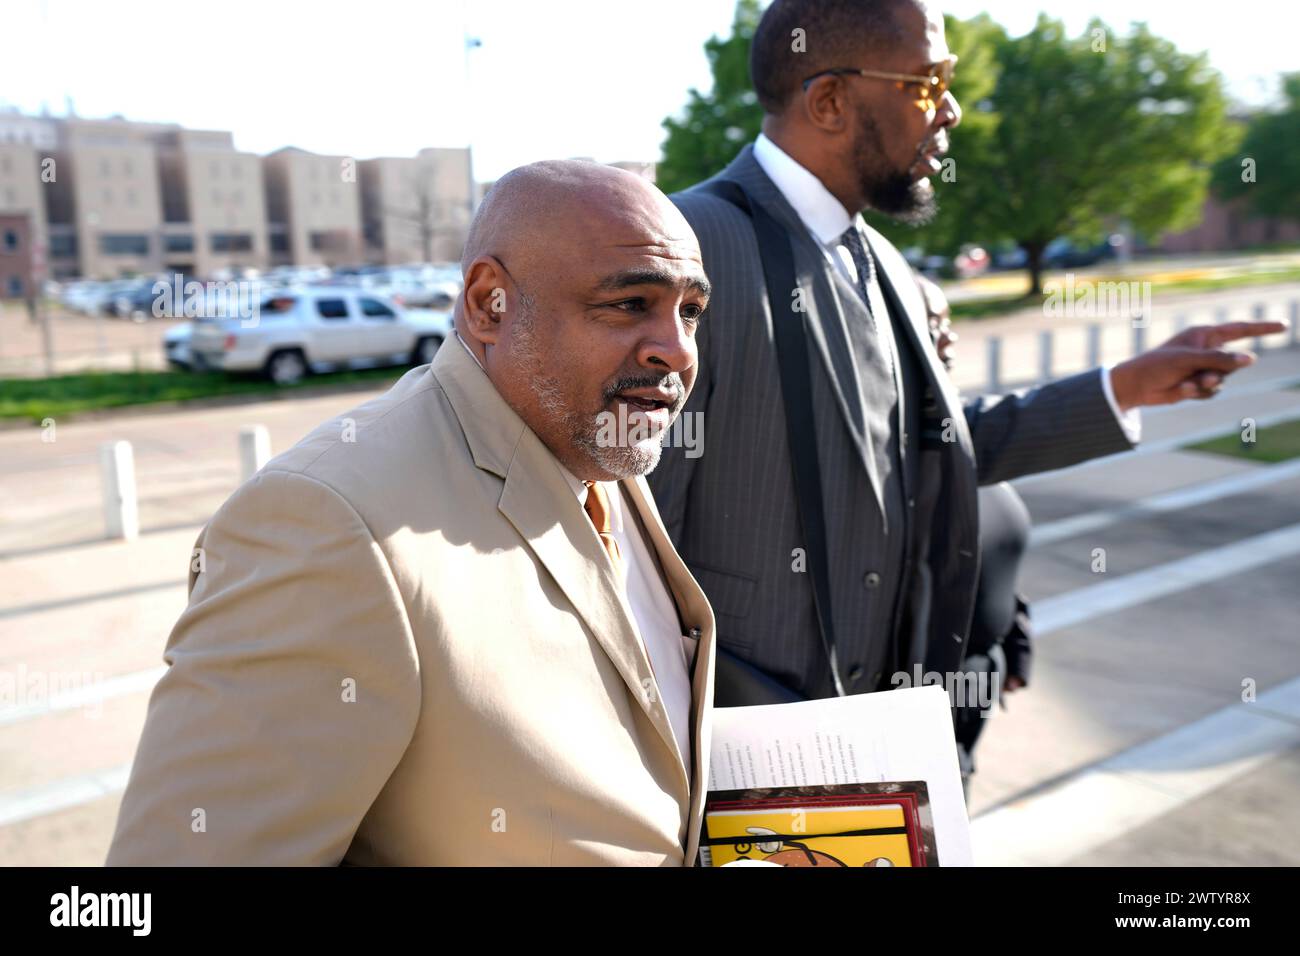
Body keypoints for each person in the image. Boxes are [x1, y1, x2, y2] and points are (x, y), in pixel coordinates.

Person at [648, 0, 1284, 709]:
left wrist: (1126, 386)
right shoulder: (687, 246)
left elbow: (933, 448)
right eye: (928, 82)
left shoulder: (888, 265)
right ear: (829, 100)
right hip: (739, 761)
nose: (950, 111)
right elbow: (636, 526)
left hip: (892, 739)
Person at [107, 160, 717, 866]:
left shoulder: (596, 453)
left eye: (691, 312)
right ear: (490, 303)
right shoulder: (328, 521)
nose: (676, 350)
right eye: (629, 303)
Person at [916, 272, 1032, 798]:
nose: (947, 338)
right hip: (914, 712)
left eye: (947, 322)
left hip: (975, 690)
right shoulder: (879, 461)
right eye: (927, 324)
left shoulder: (962, 433)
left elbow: (983, 557)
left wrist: (1014, 631)